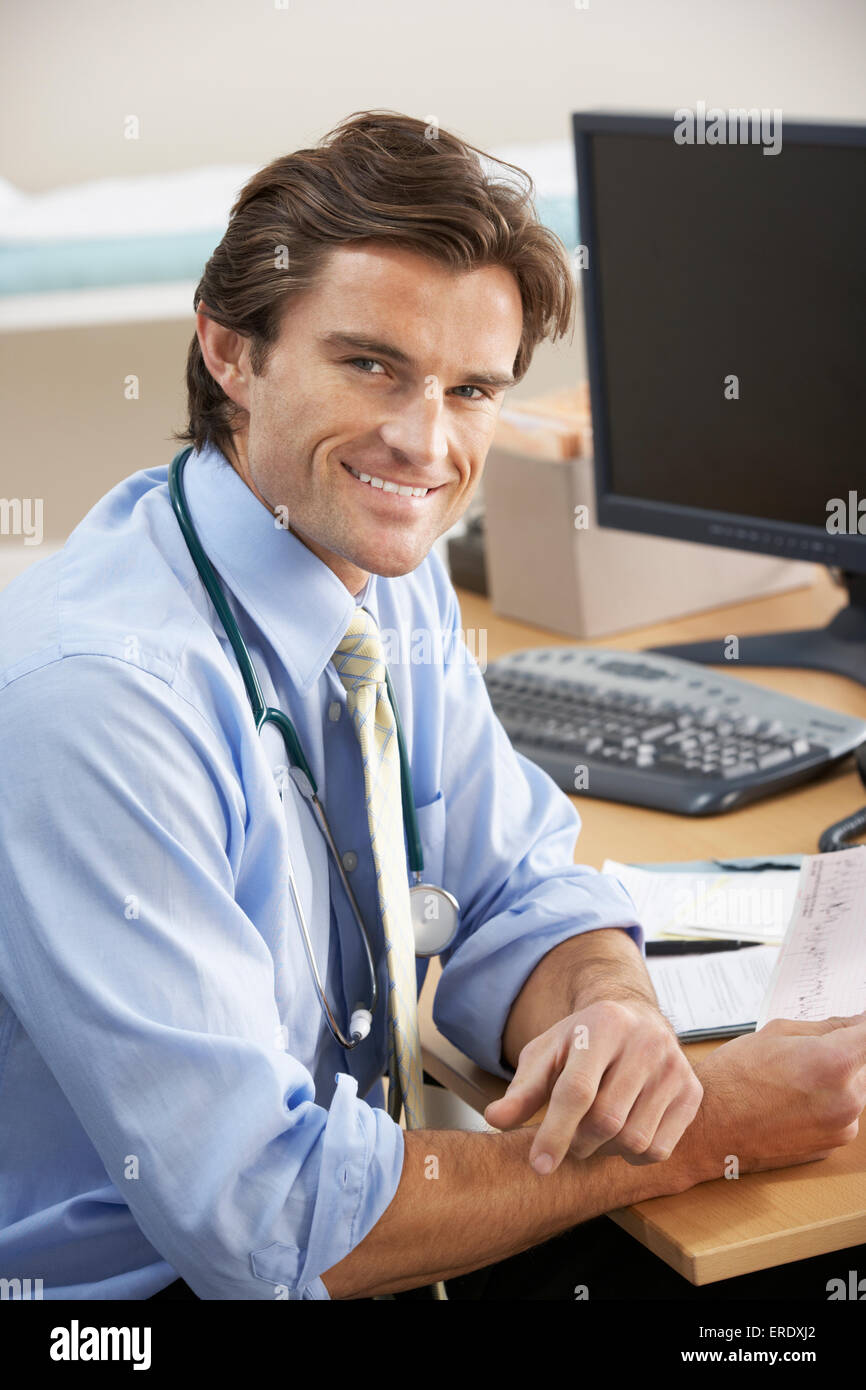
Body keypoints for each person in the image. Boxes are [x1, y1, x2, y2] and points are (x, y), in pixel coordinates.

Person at [0, 111, 863, 1303]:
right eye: (371, 365)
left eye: (469, 389)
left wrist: (608, 1010)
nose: (423, 442)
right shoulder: (101, 700)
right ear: (227, 351)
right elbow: (261, 1222)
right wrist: (699, 1122)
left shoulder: (369, 573)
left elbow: (515, 885)